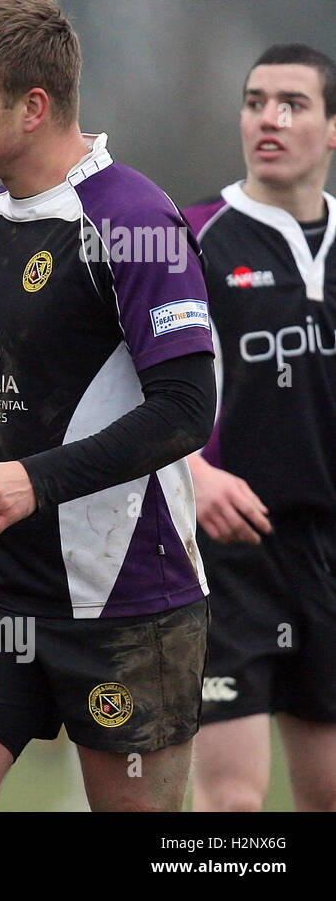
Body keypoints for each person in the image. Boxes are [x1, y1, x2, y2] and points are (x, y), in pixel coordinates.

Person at [0, 0, 216, 811]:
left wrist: (34, 480)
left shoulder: (137, 222)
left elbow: (187, 408)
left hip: (126, 596)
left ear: (33, 107)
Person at [183, 43, 336, 812]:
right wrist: (196, 478)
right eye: (254, 103)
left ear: (333, 129)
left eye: (292, 104)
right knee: (234, 802)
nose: (267, 119)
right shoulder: (192, 238)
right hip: (228, 555)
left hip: (328, 554)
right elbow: (130, 393)